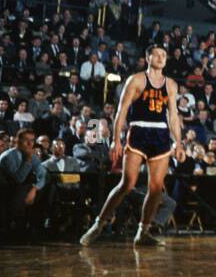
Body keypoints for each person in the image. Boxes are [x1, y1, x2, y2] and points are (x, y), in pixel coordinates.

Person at [79, 45, 185, 247]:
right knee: (127, 183)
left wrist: (178, 143)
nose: (162, 57)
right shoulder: (136, 80)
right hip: (138, 131)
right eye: (158, 54)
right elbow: (121, 110)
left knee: (155, 189)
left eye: (164, 55)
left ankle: (143, 232)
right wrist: (116, 139)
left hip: (161, 134)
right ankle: (98, 224)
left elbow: (173, 115)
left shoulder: (171, 84)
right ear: (148, 57)